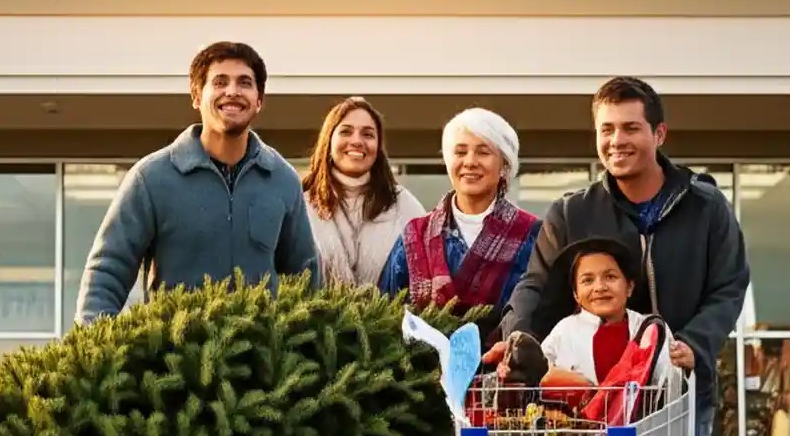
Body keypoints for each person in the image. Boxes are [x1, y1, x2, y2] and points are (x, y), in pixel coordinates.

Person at [489, 76, 749, 436]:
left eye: (631, 128)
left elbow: (729, 286)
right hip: (587, 408)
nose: (616, 140)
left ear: (659, 133)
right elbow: (535, 286)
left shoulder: (706, 206)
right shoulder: (572, 213)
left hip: (677, 394)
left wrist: (693, 344)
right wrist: (520, 339)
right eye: (606, 129)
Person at [73, 41, 321, 324]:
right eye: (219, 82)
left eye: (245, 83)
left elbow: (306, 278)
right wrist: (96, 347)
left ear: (259, 100)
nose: (232, 92)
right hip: (174, 359)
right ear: (196, 95)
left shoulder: (282, 180)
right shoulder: (151, 178)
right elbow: (108, 269)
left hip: (260, 362)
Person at [380, 107, 541, 343]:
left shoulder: (531, 233)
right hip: (422, 374)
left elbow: (544, 314)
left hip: (505, 373)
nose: (470, 162)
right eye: (460, 152)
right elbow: (385, 313)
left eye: (483, 152)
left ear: (505, 165)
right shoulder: (415, 235)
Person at [302, 97, 427, 288]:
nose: (357, 141)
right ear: (329, 140)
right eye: (346, 131)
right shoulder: (300, 203)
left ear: (378, 147)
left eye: (368, 134)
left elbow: (425, 274)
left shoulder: (404, 205)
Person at [536, 236, 672, 389]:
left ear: (629, 287)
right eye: (587, 280)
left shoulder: (651, 330)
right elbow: (538, 375)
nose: (600, 287)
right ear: (576, 294)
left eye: (610, 277)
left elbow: (669, 383)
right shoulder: (563, 332)